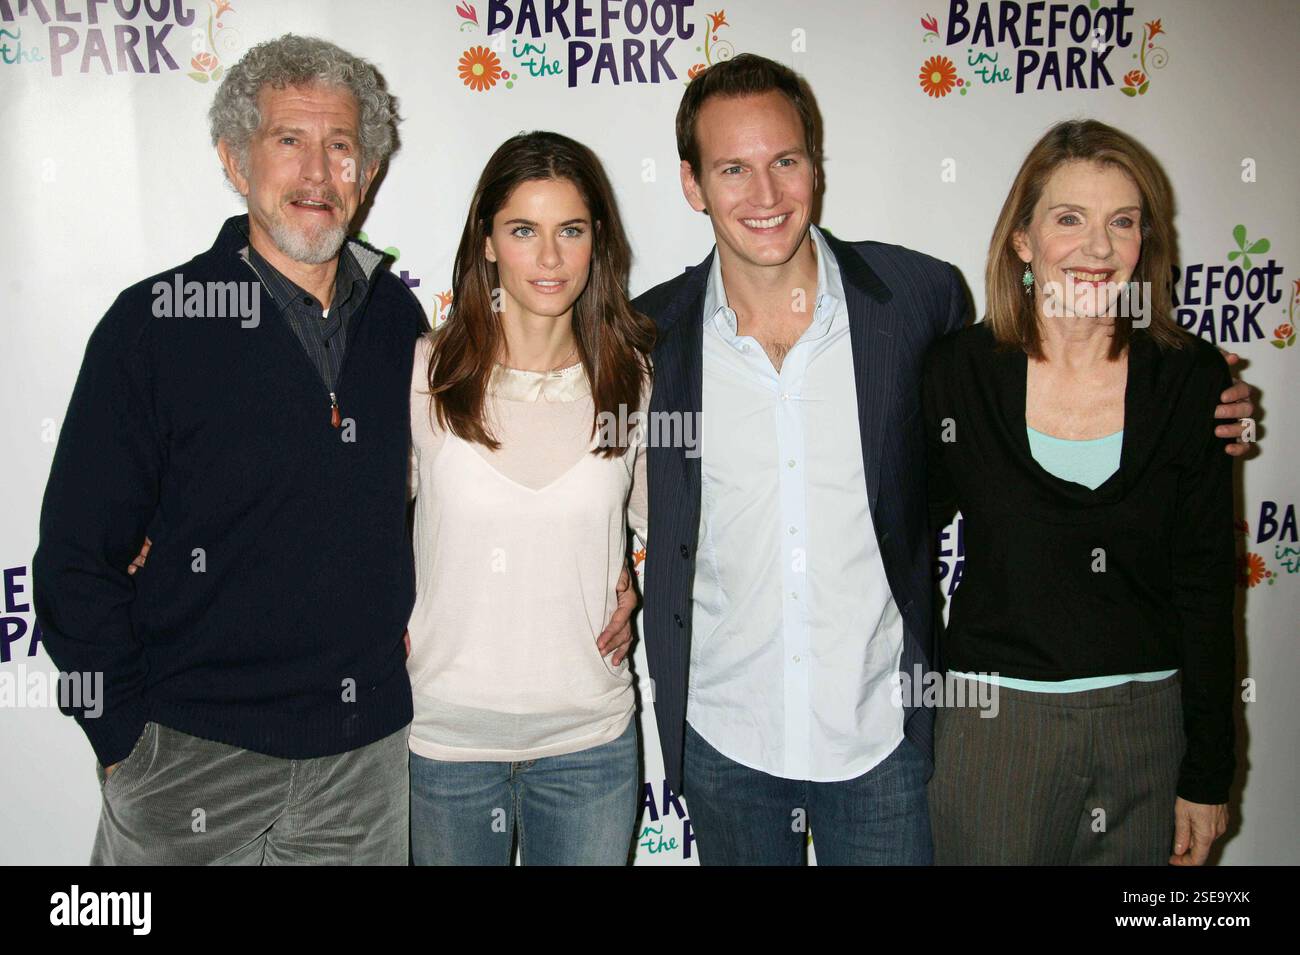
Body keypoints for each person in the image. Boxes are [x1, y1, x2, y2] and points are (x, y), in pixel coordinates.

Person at [632, 55, 1256, 865]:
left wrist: (1208, 404)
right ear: (692, 182)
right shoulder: (647, 335)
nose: (765, 194)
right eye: (733, 169)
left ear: (815, 166)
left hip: (886, 737)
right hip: (725, 734)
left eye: (785, 161)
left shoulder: (918, 300)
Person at [32, 34, 640, 866]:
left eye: (342, 145)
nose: (318, 173)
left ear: (371, 170)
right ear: (233, 159)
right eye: (290, 141)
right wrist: (121, 741)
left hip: (365, 765)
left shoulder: (404, 332)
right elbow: (73, 561)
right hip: (188, 759)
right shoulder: (155, 323)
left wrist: (620, 569)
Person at [924, 119, 1237, 866]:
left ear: (1144, 243)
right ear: (1023, 240)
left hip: (1148, 731)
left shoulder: (1191, 379)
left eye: (1122, 222)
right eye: (1070, 219)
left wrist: (1209, 770)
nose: (1099, 248)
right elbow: (896, 529)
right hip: (995, 726)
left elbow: (1207, 589)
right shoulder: (958, 372)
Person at [406, 131, 655, 866]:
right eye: (524, 230)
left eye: (570, 231)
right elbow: (343, 516)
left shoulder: (635, 380)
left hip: (589, 743)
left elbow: (670, 530)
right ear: (487, 241)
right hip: (445, 741)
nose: (549, 258)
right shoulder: (424, 374)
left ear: (596, 242)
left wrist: (629, 578)